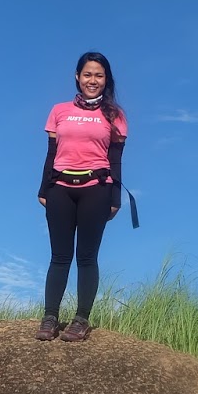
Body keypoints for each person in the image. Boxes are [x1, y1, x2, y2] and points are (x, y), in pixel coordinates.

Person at [35, 50, 128, 342]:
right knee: (59, 257)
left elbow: (116, 159)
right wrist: (43, 189)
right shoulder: (59, 111)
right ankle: (50, 317)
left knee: (87, 257)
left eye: (99, 75)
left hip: (96, 189)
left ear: (106, 79)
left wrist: (115, 197)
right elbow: (51, 154)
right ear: (77, 77)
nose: (93, 80)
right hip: (60, 188)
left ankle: (81, 319)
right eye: (87, 74)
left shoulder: (114, 115)